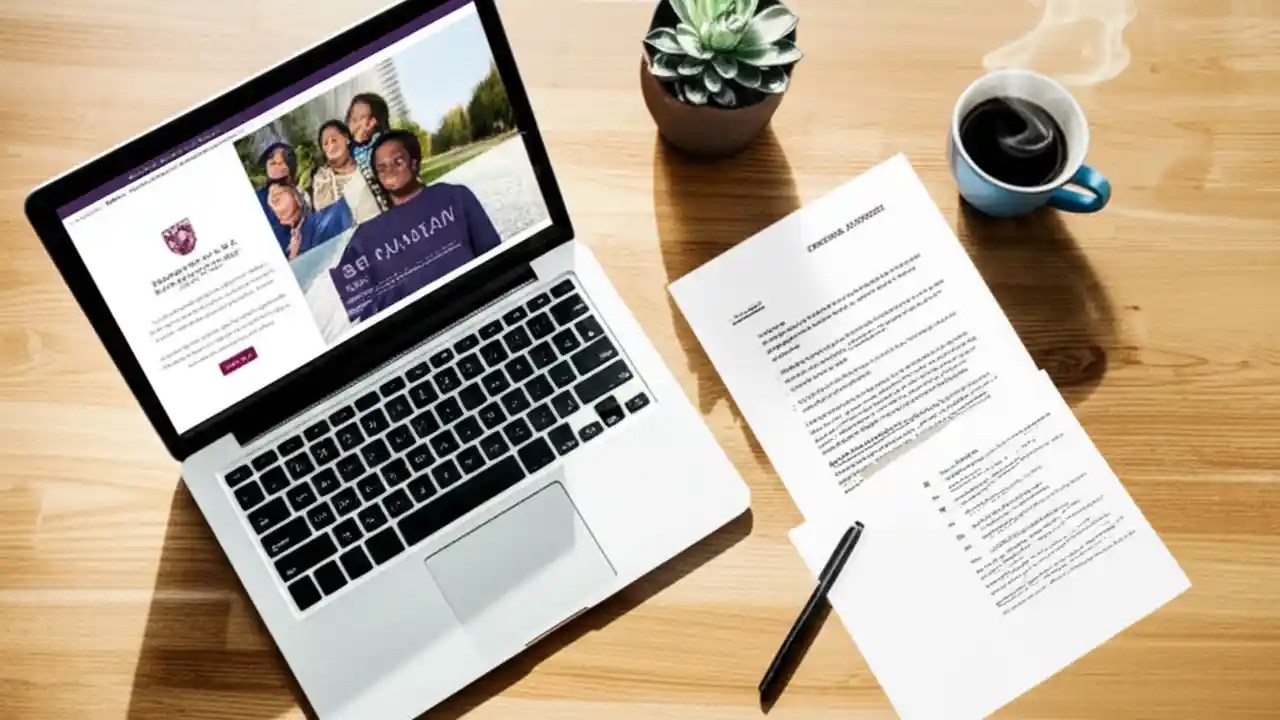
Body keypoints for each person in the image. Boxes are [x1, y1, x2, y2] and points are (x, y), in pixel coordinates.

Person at [330, 130, 501, 323]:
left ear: (414, 163)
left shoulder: (455, 197)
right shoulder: (364, 238)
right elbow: (361, 312)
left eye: (398, 162)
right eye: (382, 167)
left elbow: (495, 258)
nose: (390, 170)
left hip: (479, 311)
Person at [309, 120, 382, 224]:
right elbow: (328, 222)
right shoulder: (323, 180)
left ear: (347, 139)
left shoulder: (367, 162)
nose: (331, 146)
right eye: (325, 143)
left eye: (334, 140)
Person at [266, 179, 353, 259]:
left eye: (279, 192)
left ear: (297, 196)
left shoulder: (330, 218)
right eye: (271, 197)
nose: (274, 198)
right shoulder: (288, 248)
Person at [255, 141, 307, 250]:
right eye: (272, 161)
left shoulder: (300, 194)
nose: (276, 164)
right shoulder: (258, 197)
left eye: (282, 161)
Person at [346, 93, 392, 211]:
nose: (354, 123)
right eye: (352, 118)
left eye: (361, 118)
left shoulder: (383, 142)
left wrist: (360, 139)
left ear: (374, 121)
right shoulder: (348, 150)